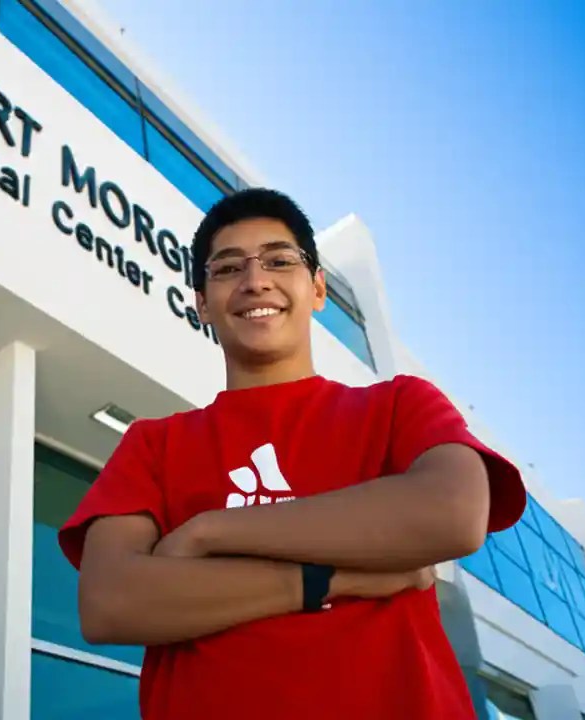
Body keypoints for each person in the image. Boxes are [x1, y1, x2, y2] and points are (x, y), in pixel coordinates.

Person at [57, 188, 527, 718]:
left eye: (279, 261)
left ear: (317, 287)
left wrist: (209, 531)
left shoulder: (398, 406)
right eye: (228, 268)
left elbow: (453, 514)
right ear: (202, 304)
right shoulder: (154, 444)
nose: (255, 280)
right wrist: (331, 579)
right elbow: (109, 603)